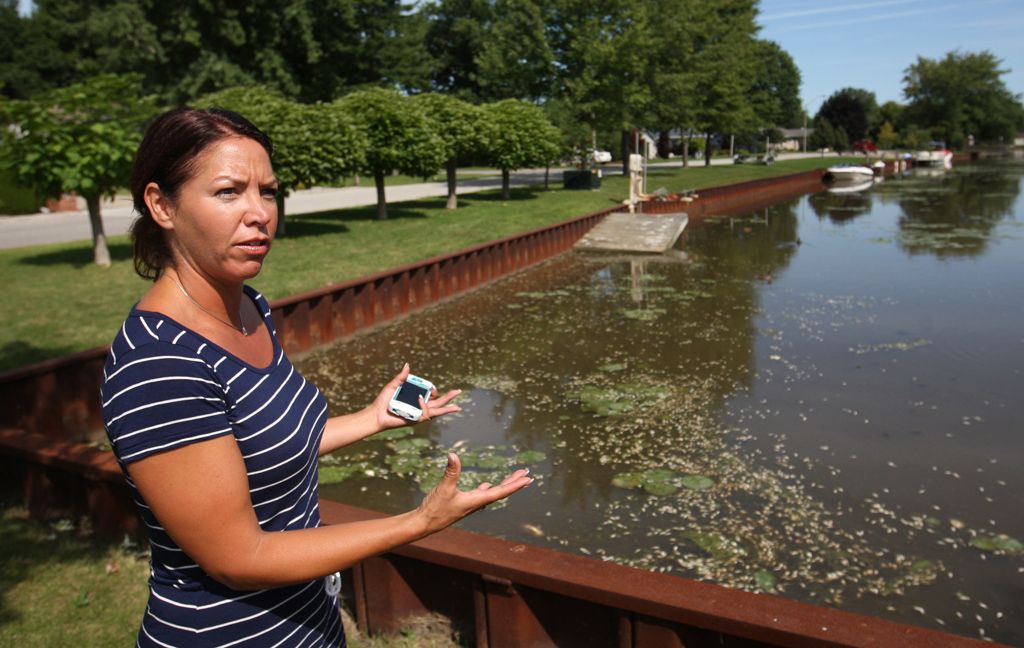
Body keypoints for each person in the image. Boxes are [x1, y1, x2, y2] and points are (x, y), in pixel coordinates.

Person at [100, 107, 532, 647]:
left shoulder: (250, 308)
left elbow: (263, 448)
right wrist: (416, 522)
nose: (260, 214)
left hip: (309, 624)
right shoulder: (158, 365)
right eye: (229, 192)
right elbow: (239, 557)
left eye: (269, 191)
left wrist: (372, 420)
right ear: (161, 204)